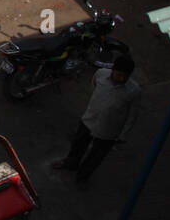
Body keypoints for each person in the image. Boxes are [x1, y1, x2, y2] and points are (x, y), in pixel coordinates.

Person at [53, 55, 141, 186]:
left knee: (96, 156)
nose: (121, 78)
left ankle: (82, 177)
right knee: (78, 145)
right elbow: (93, 88)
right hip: (89, 119)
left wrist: (123, 135)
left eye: (125, 76)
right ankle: (70, 163)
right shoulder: (100, 74)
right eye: (119, 74)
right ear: (112, 70)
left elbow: (132, 115)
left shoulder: (134, 91)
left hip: (109, 130)